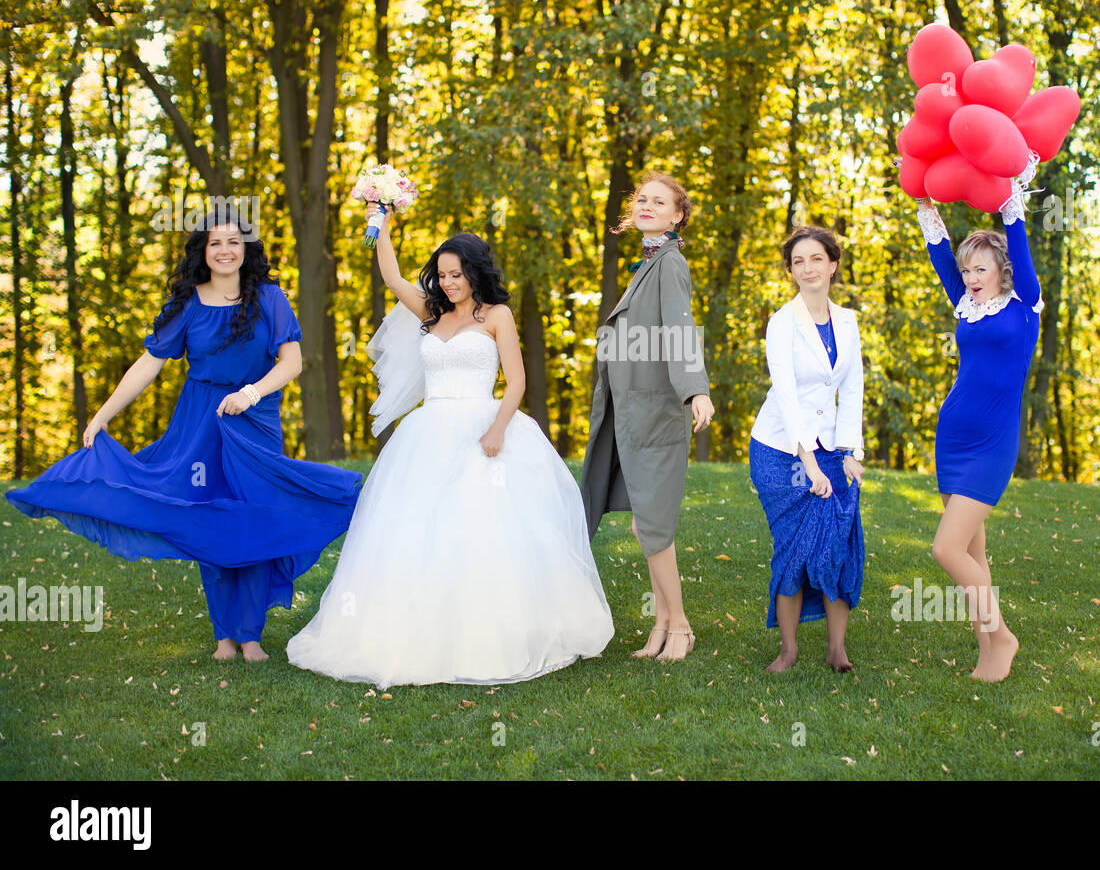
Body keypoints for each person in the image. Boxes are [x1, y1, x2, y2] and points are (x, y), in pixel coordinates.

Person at [5, 204, 363, 661]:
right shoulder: (188, 303)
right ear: (204, 250)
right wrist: (103, 414)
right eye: (216, 242)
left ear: (246, 248)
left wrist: (250, 395)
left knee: (251, 514)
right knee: (207, 514)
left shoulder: (270, 297)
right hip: (200, 420)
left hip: (253, 418)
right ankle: (223, 638)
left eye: (234, 241)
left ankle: (250, 636)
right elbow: (148, 364)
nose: (226, 250)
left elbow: (291, 362)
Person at [286, 205, 613, 687]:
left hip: (484, 424)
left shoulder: (496, 315)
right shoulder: (431, 312)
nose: (448, 283)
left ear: (474, 272)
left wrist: (499, 428)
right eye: (441, 275)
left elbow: (517, 380)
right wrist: (384, 217)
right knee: (414, 529)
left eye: (456, 274)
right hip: (428, 432)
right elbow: (392, 275)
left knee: (484, 528)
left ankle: (493, 631)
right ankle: (407, 631)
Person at [579, 171, 715, 662]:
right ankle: (659, 624)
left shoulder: (671, 264)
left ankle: (680, 626)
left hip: (657, 413)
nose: (647, 206)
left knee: (652, 524)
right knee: (645, 525)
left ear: (678, 215)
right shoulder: (649, 264)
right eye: (642, 199)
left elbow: (680, 327)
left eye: (660, 202)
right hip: (633, 409)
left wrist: (696, 390)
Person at [916, 180, 1042, 682]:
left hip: (992, 443)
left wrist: (1012, 191)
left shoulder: (1024, 304)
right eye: (967, 269)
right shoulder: (964, 303)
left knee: (945, 550)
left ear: (1002, 271)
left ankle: (1003, 634)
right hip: (953, 435)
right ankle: (988, 650)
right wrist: (926, 203)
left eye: (980, 269)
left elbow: (1017, 227)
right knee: (973, 554)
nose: (969, 277)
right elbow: (939, 255)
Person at [748, 226, 865, 673]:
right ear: (791, 271)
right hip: (781, 450)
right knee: (792, 548)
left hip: (834, 447)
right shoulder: (782, 323)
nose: (808, 268)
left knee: (839, 542)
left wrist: (850, 450)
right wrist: (810, 464)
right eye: (798, 261)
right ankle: (788, 650)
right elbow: (788, 394)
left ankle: (837, 649)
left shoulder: (849, 322)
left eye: (816, 258)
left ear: (833, 264)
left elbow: (853, 387)